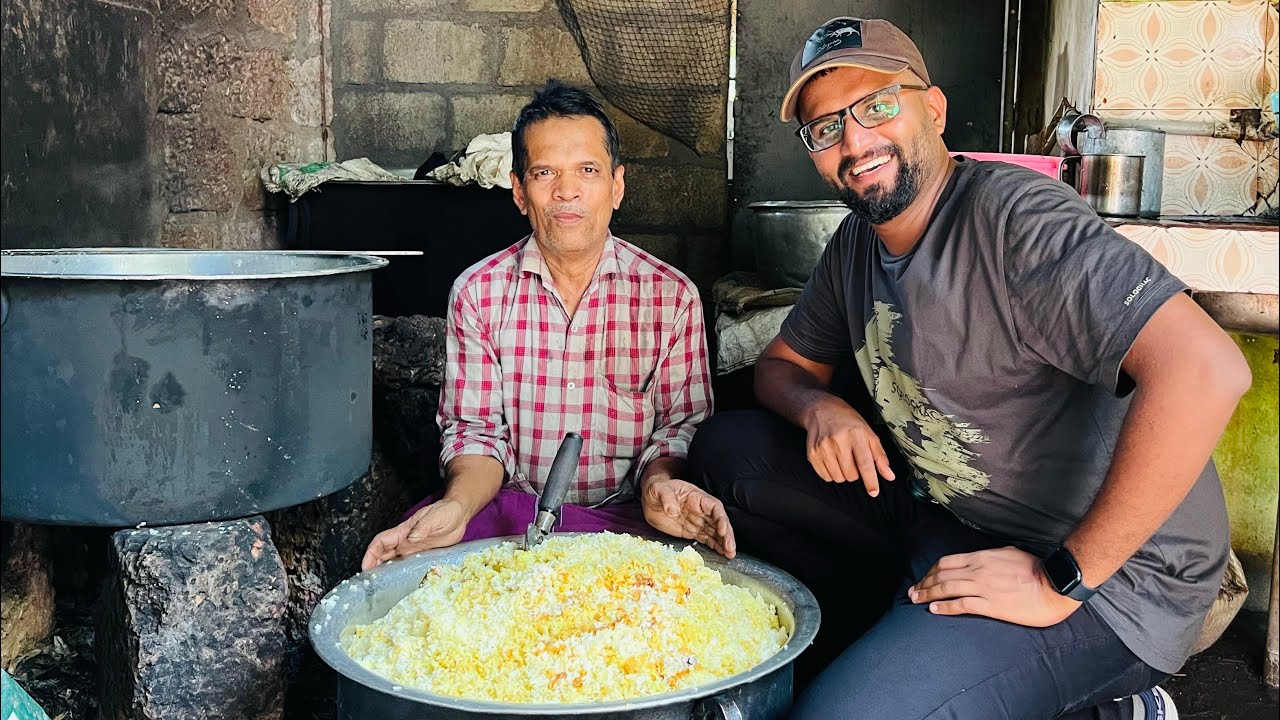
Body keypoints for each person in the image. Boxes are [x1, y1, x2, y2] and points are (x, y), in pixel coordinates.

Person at [685, 17, 1251, 720]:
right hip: (957, 518)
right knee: (724, 451)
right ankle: (925, 658)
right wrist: (818, 407)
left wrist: (1060, 580)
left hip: (1110, 572)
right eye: (825, 128)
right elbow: (781, 367)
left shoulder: (1017, 219)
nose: (855, 141)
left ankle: (1109, 704)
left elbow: (1207, 369)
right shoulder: (858, 244)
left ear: (935, 108)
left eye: (878, 105)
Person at [362, 80, 734, 572]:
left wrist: (662, 485)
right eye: (544, 172)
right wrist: (458, 505)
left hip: (632, 517)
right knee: (418, 584)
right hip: (510, 512)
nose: (567, 191)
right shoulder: (478, 293)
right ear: (519, 191)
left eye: (587, 170)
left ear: (616, 186)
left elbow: (679, 428)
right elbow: (476, 434)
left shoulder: (671, 297)